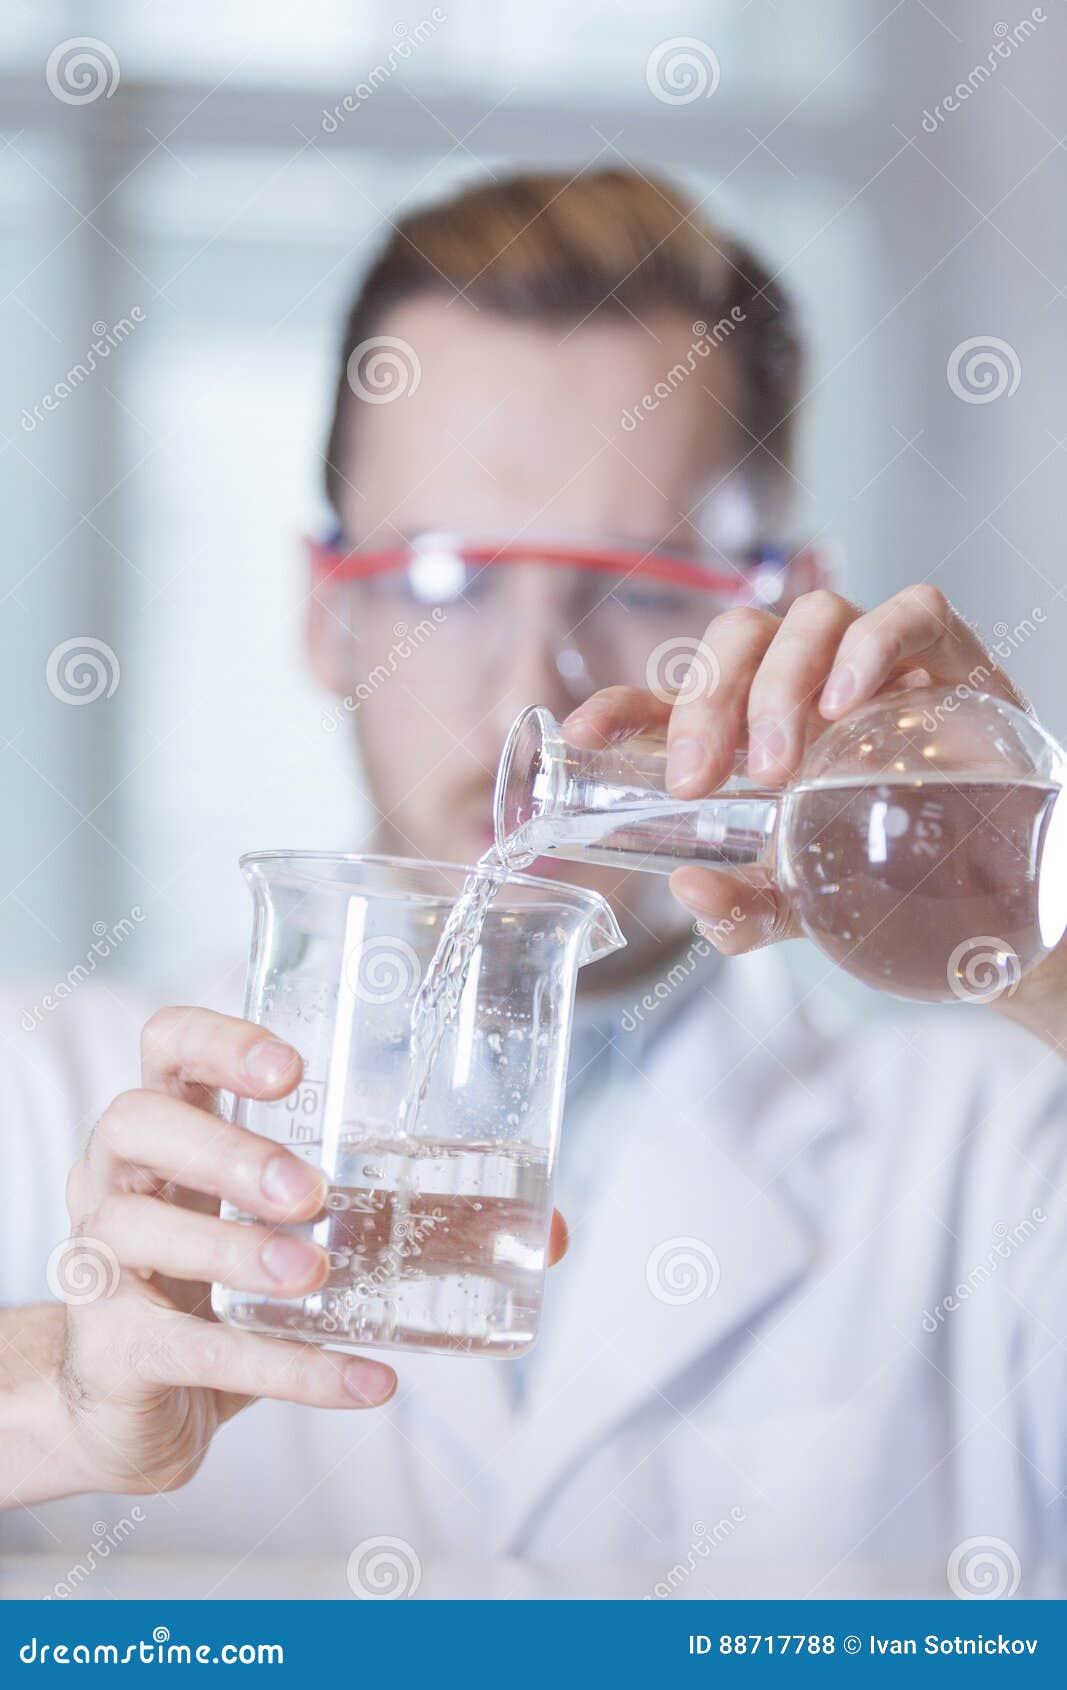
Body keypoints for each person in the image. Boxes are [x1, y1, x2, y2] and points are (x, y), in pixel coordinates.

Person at [1, 169, 1064, 1599]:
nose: (536, 693)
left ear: (779, 607)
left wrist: (1046, 923)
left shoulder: (993, 1160)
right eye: (445, 581)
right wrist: (51, 1411)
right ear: (328, 611)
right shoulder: (47, 1102)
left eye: (635, 581)